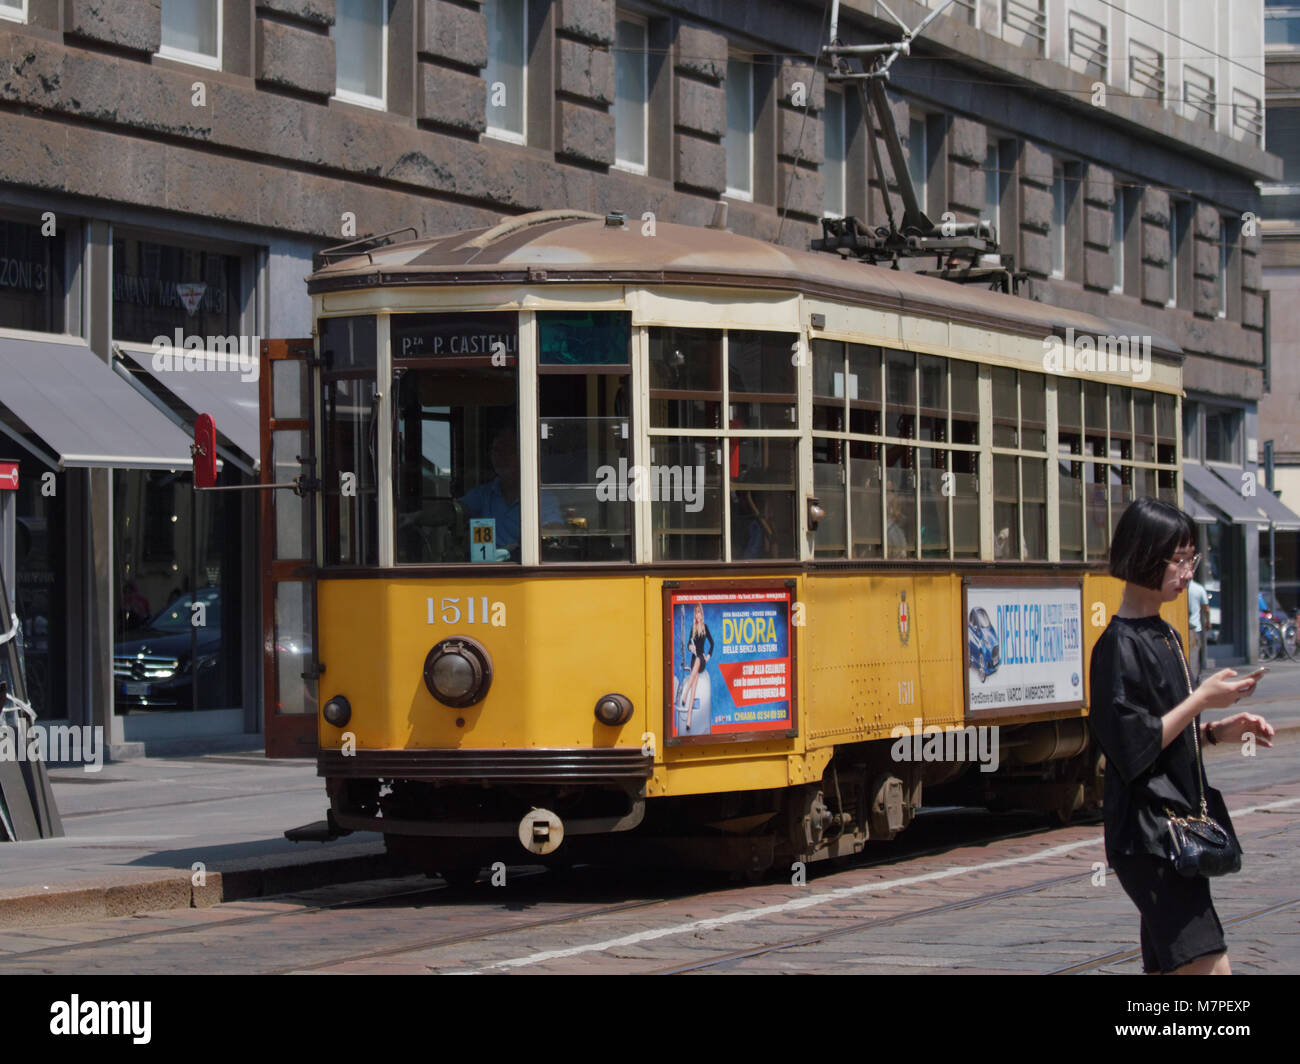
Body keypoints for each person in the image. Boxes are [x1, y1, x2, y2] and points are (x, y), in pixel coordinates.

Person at [1088, 497, 1275, 975]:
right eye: (1180, 558)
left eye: (1192, 558)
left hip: (1175, 835)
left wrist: (1215, 731)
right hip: (1149, 839)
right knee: (1211, 969)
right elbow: (1133, 750)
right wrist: (1201, 700)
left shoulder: (1166, 635)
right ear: (1145, 554)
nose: (1188, 572)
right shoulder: (1117, 647)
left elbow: (1166, 737)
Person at [458, 428, 562, 559]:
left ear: (523, 455)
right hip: (485, 571)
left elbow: (554, 529)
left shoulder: (541, 497)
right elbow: (457, 510)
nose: (500, 457)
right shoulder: (483, 494)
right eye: (496, 450)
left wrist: (518, 546)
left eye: (508, 451)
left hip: (520, 569)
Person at [679, 603, 713, 732]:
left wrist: (708, 655)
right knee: (694, 686)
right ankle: (688, 720)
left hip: (701, 660)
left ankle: (685, 693)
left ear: (702, 614)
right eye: (696, 613)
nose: (697, 615)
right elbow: (688, 643)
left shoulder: (705, 627)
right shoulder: (693, 628)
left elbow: (712, 643)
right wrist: (690, 647)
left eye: (699, 612)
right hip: (694, 659)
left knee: (699, 660)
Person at [1187, 574, 1208, 685]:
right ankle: (1195, 679)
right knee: (1195, 656)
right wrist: (1208, 622)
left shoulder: (1181, 589)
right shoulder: (1199, 589)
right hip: (1196, 627)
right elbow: (1206, 608)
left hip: (1184, 626)